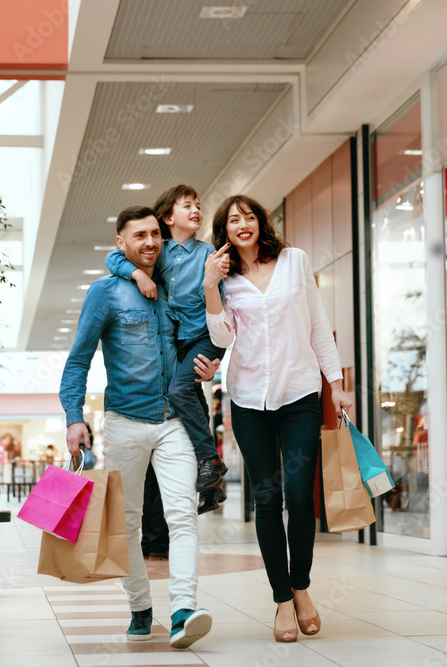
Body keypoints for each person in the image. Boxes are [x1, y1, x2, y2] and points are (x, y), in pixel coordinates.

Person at [61, 206, 219, 649]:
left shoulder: (174, 285)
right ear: (121, 243)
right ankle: (139, 607)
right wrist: (74, 417)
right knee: (127, 523)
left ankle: (184, 608)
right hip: (125, 421)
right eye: (139, 236)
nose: (150, 242)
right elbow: (78, 359)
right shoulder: (106, 293)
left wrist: (210, 367)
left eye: (155, 234)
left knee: (182, 515)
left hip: (175, 422)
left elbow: (205, 334)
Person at [203, 194, 353, 643]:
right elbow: (221, 337)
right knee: (267, 498)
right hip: (249, 400)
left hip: (301, 392)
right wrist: (211, 287)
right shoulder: (225, 279)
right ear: (225, 232)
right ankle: (283, 600)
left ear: (260, 222)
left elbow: (317, 325)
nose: (242, 224)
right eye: (233, 220)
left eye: (248, 217)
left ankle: (302, 587)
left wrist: (338, 383)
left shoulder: (294, 261)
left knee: (299, 494)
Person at [106, 185, 228, 513]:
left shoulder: (209, 255)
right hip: (177, 340)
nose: (196, 210)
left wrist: (218, 356)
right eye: (187, 205)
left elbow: (226, 307)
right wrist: (138, 276)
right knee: (190, 399)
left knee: (178, 390)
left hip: (206, 337)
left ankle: (210, 462)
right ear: (168, 218)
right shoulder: (160, 251)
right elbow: (113, 257)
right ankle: (211, 480)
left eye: (198, 205)